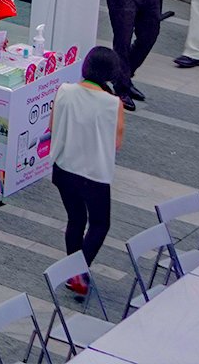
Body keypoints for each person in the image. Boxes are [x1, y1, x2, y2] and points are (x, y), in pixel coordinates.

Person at [49, 47, 126, 291]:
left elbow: (52, 127)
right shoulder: (114, 104)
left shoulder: (64, 91)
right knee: (100, 223)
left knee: (76, 218)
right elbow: (116, 143)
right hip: (94, 174)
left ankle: (75, 271)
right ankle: (78, 271)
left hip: (64, 169)